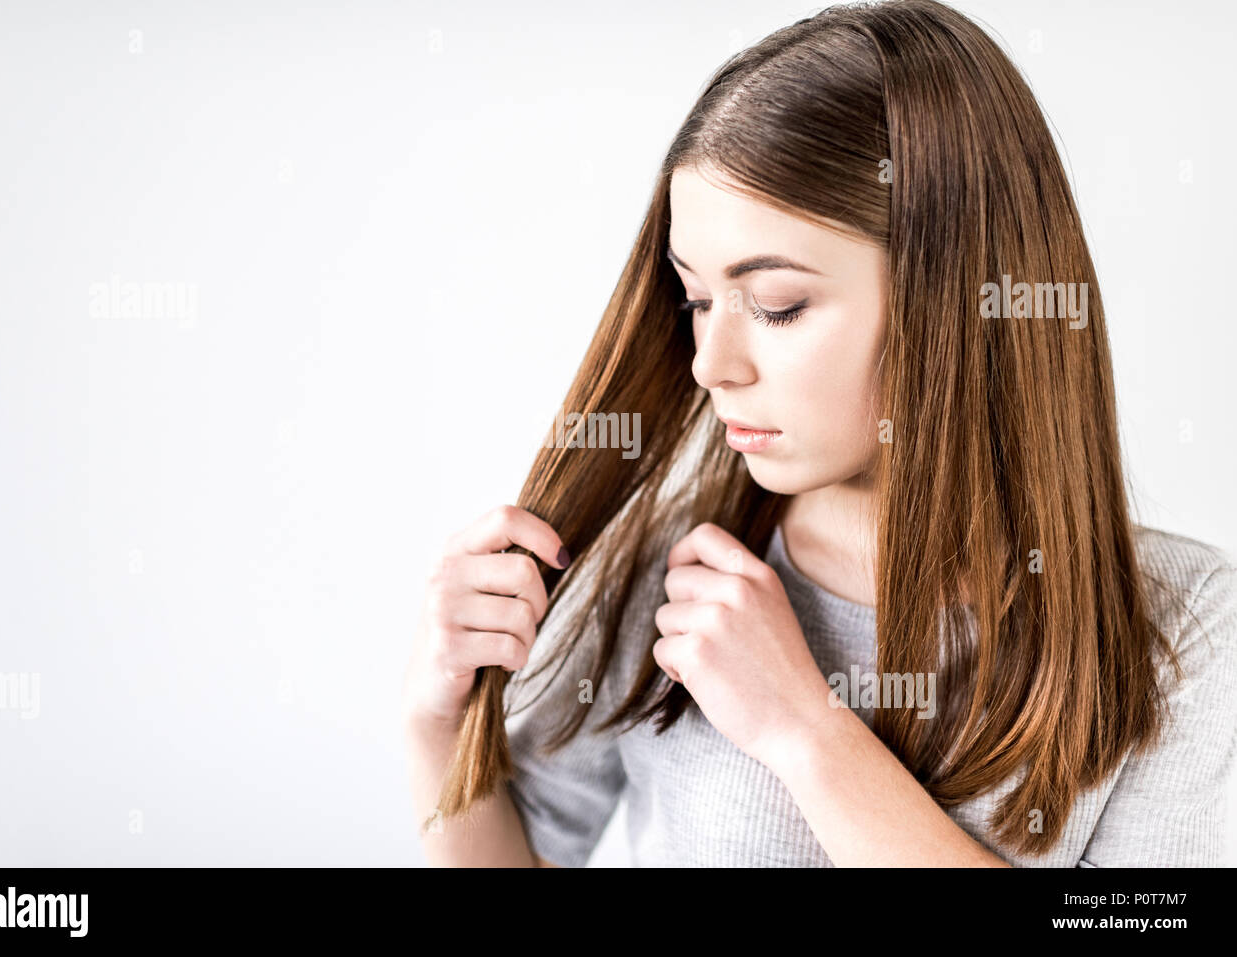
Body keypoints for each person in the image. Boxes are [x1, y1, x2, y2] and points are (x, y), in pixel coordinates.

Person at [401, 0, 1237, 867]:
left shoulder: (1182, 623)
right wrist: (435, 725)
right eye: (694, 300)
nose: (709, 364)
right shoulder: (665, 570)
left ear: (953, 299)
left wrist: (807, 729)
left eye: (775, 305)